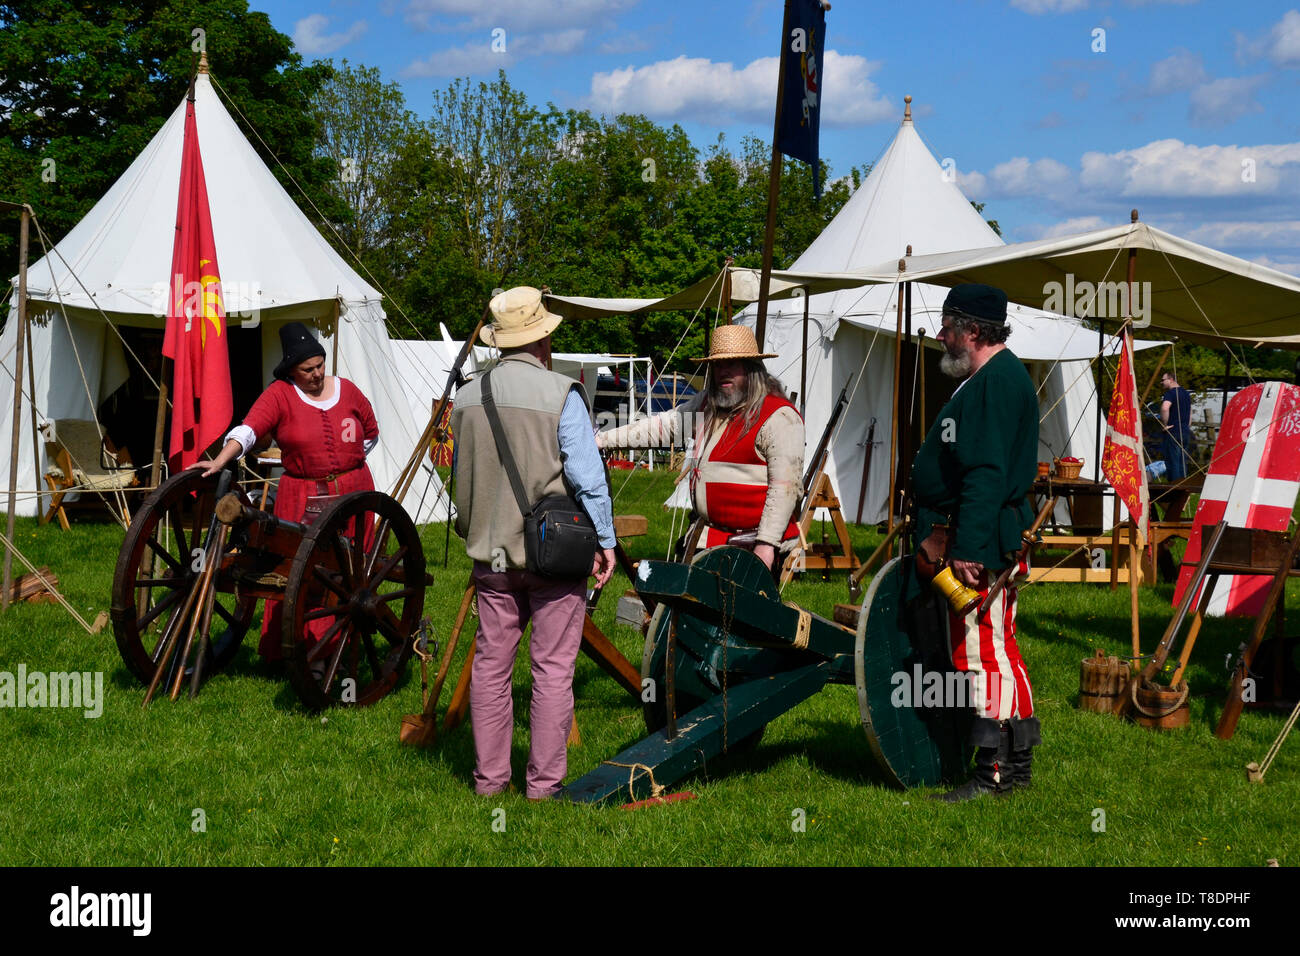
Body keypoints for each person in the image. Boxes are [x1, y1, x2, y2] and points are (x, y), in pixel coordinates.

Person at [451, 287, 617, 801]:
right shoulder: (561, 394)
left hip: (492, 554)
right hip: (554, 553)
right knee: (551, 671)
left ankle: (488, 782)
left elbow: (460, 477)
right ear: (543, 337)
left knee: (492, 668)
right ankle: (543, 787)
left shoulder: (466, 396)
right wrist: (606, 541)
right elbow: (588, 480)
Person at [911, 284, 1041, 801]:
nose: (941, 336)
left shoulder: (996, 382)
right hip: (981, 534)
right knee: (997, 649)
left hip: (982, 542)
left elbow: (985, 474)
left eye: (947, 326)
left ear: (971, 330)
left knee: (984, 654)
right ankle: (1014, 764)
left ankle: (992, 773)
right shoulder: (992, 378)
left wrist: (967, 547)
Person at [198, 321, 378, 662]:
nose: (316, 374)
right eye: (306, 369)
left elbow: (370, 432)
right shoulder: (279, 394)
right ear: (291, 371)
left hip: (354, 494)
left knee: (348, 575)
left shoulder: (349, 391)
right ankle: (299, 649)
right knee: (299, 572)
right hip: (302, 497)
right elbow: (249, 431)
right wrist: (220, 461)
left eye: (320, 365)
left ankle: (340, 646)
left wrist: (345, 466)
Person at [596, 324, 804, 574]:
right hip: (706, 539)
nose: (722, 372)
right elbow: (665, 427)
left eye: (732, 365)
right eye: (717, 365)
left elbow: (784, 490)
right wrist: (602, 440)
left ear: (751, 368)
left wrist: (766, 545)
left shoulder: (778, 416)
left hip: (751, 547)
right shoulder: (709, 405)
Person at [1159, 370, 1195, 481]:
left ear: (1171, 379)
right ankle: (1183, 487)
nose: (1161, 383)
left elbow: (1165, 408)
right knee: (1182, 461)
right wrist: (1187, 425)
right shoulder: (1186, 393)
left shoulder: (1170, 393)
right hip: (1185, 431)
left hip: (1173, 431)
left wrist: (1165, 425)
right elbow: (1190, 412)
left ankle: (1174, 488)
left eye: (1163, 380)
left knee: (1173, 461)